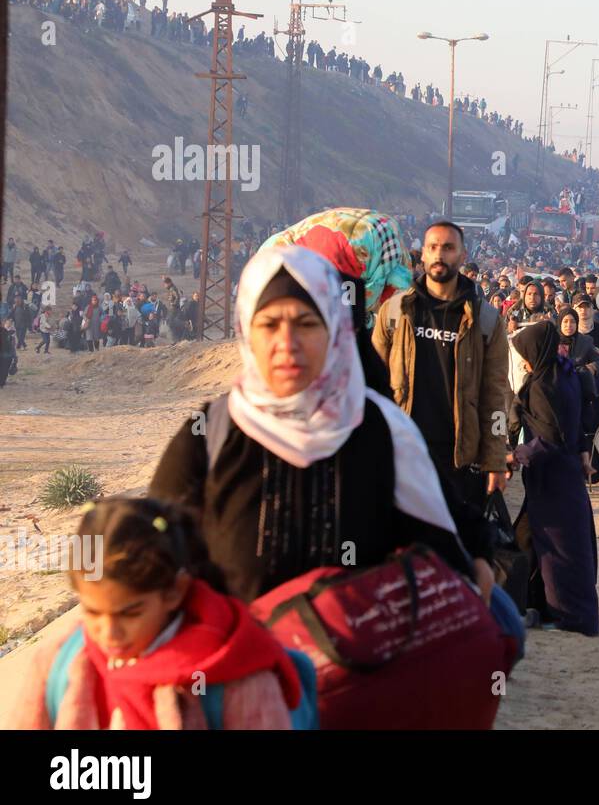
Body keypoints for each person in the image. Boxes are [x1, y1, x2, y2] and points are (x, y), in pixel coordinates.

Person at [149, 246, 474, 602]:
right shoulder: (210, 433)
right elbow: (150, 559)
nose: (287, 345)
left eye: (306, 324)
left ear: (335, 331)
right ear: (246, 332)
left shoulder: (383, 431)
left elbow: (451, 557)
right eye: (269, 325)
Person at [2, 496, 304, 730]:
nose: (109, 634)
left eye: (130, 614)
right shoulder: (60, 661)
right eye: (92, 612)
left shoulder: (237, 675)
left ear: (174, 592)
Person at [372, 221, 511, 595]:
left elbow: (496, 395)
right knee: (397, 552)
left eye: (448, 247)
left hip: (458, 457)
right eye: (433, 247)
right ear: (422, 254)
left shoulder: (485, 320)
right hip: (403, 452)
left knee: (459, 556)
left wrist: (496, 459)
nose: (439, 254)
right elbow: (371, 384)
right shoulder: (395, 312)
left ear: (462, 256)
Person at [507, 320, 599, 635]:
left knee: (562, 550)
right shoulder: (562, 374)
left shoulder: (545, 385)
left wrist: (517, 455)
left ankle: (571, 617)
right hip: (560, 476)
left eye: (525, 353)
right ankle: (531, 606)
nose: (523, 360)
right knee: (526, 539)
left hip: (554, 479)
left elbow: (550, 438)